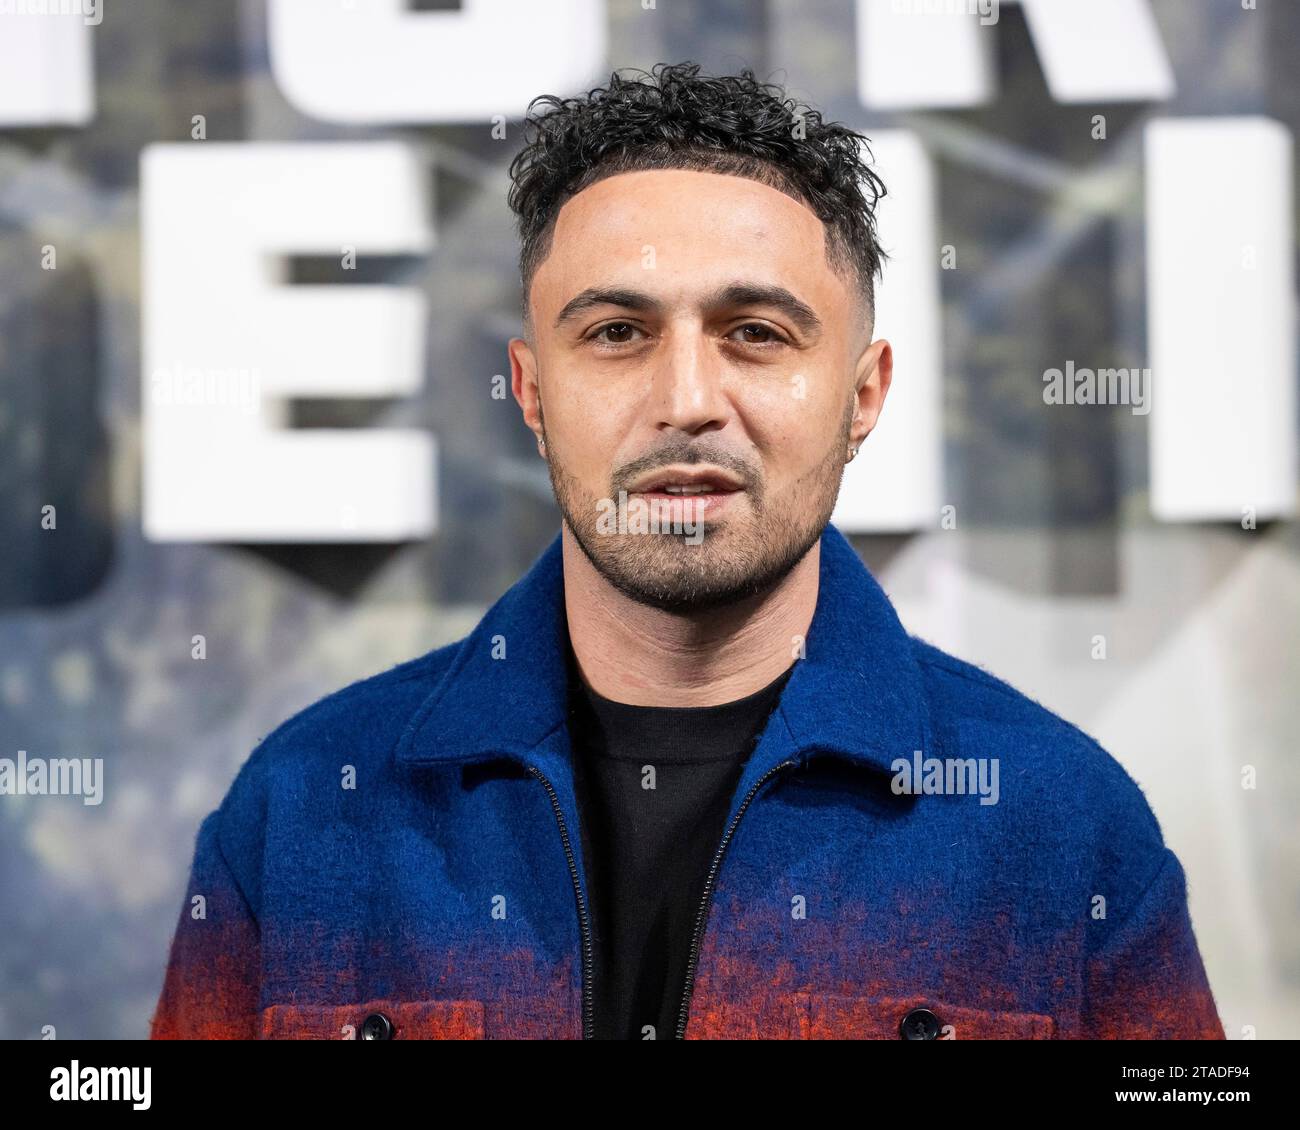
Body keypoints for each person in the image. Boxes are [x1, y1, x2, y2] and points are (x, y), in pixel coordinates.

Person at [150, 62, 1223, 1040]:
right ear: (531, 391)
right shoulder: (299, 811)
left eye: (755, 331)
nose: (686, 402)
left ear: (862, 396)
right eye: (616, 332)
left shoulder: (1062, 826)